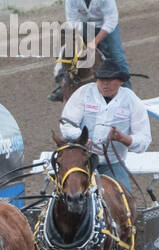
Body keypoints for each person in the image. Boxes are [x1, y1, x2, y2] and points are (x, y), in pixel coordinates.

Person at [59, 59, 150, 193]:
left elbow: (144, 141)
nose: (105, 84)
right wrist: (82, 139)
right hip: (80, 162)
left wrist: (122, 138)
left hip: (112, 164)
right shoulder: (83, 93)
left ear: (121, 81)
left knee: (126, 200)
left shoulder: (132, 102)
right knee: (63, 196)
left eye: (110, 80)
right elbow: (66, 125)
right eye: (102, 80)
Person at [57, 0, 129, 94]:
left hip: (105, 25)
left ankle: (127, 90)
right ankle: (63, 86)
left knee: (118, 57)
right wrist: (78, 38)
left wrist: (94, 42)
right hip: (86, 25)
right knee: (70, 54)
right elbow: (72, 22)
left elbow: (111, 21)